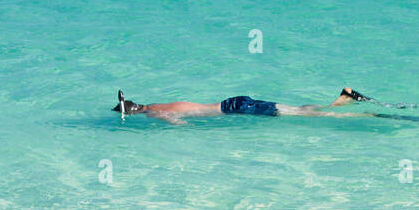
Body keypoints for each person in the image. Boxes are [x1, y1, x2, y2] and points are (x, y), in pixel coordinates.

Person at [112, 86, 372, 125]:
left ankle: (349, 110)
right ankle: (343, 99)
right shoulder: (157, 104)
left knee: (299, 114)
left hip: (236, 109)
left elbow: (181, 124)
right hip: (233, 102)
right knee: (296, 109)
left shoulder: (155, 113)